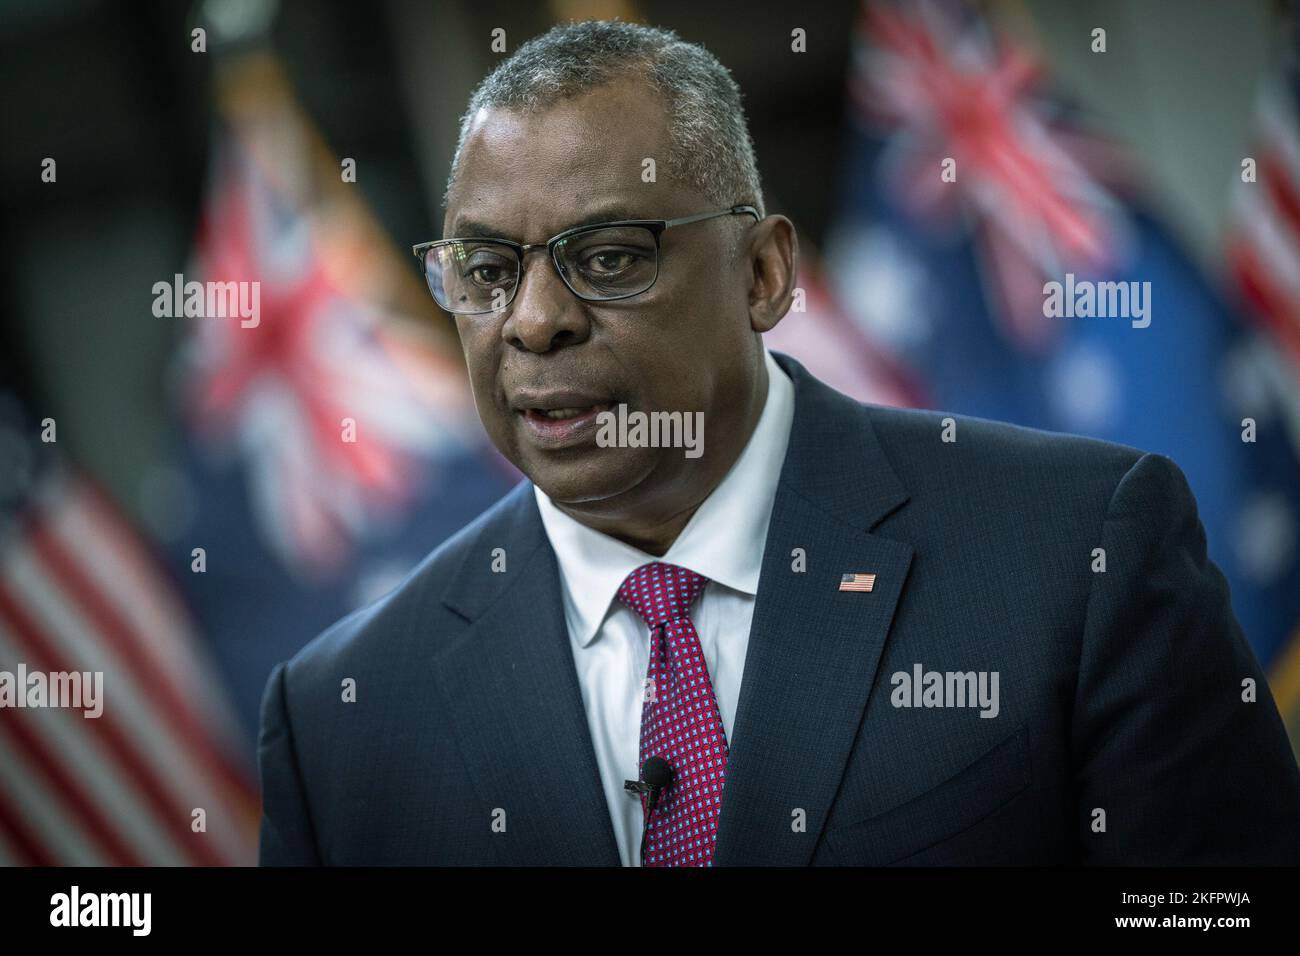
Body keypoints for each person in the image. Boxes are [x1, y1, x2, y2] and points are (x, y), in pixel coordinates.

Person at [257, 20, 1300, 866]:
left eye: (608, 256)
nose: (532, 321)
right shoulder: (342, 720)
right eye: (486, 272)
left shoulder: (1078, 552)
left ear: (762, 275)